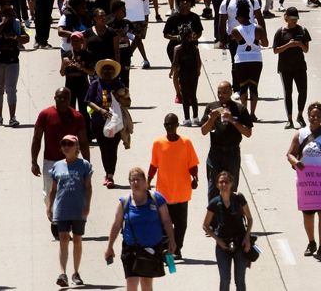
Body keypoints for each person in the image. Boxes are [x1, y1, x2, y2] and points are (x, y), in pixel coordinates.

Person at [285, 101, 321, 262]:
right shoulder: (300, 134)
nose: (315, 118)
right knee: (308, 214)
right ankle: (311, 242)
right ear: (308, 116)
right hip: (307, 180)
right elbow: (290, 154)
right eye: (312, 116)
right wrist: (296, 163)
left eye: (318, 116)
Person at [105, 167, 176, 291]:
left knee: (146, 285)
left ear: (145, 182)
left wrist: (172, 240)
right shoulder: (125, 202)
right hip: (130, 249)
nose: (135, 183)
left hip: (151, 249)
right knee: (131, 285)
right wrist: (110, 246)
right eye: (132, 180)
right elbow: (116, 224)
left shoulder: (156, 199)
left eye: (138, 180)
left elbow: (166, 220)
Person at [32, 87, 90, 233]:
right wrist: (34, 161)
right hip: (50, 162)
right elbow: (37, 138)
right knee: (49, 193)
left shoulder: (77, 117)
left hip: (72, 162)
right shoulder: (45, 114)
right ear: (54, 97)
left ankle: (63, 222)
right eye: (58, 97)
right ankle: (54, 218)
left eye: (64, 98)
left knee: (70, 193)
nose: (61, 100)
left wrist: (87, 163)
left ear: (70, 100)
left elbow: (83, 141)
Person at [148, 113, 200, 260]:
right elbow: (154, 164)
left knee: (181, 224)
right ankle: (167, 250)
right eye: (166, 124)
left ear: (177, 125)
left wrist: (195, 178)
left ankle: (177, 249)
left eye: (172, 124)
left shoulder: (186, 142)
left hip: (182, 191)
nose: (169, 127)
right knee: (164, 224)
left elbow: (192, 164)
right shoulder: (158, 143)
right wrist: (148, 179)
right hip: (163, 193)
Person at [47, 133, 93, 288]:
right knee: (64, 239)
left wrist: (87, 205)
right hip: (62, 209)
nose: (66, 146)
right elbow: (53, 190)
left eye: (69, 144)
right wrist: (49, 207)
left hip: (78, 208)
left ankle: (76, 272)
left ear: (76, 147)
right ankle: (63, 273)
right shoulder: (57, 166)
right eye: (64, 144)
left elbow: (88, 187)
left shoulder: (84, 165)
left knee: (78, 240)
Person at [201, 81, 254, 200]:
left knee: (231, 188)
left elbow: (248, 133)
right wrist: (211, 119)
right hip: (216, 153)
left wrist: (232, 120)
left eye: (224, 92)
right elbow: (203, 131)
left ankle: (228, 215)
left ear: (231, 92)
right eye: (219, 92)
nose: (221, 95)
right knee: (213, 188)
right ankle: (213, 216)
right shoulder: (211, 107)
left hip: (232, 153)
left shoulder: (240, 109)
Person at [203, 169, 254, 291]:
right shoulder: (214, 203)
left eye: (226, 182)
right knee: (225, 280)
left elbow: (250, 218)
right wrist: (218, 240)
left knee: (240, 280)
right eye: (221, 182)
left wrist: (247, 238)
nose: (223, 185)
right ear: (217, 185)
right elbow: (205, 225)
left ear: (231, 184)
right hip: (223, 247)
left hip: (240, 244)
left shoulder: (239, 198)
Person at [0, 0, 29, 126]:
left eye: (9, 9)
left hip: (12, 60)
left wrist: (15, 37)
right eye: (4, 9)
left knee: (11, 89)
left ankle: (12, 118)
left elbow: (27, 37)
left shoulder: (16, 23)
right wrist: (3, 23)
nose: (8, 12)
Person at [86, 58, 128, 187]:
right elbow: (89, 101)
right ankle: (107, 172)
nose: (107, 72)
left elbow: (128, 102)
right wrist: (100, 110)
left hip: (116, 123)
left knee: (113, 149)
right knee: (104, 149)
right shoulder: (95, 84)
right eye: (105, 69)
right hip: (99, 123)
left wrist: (120, 97)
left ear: (114, 71)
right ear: (100, 72)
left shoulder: (119, 85)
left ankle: (110, 175)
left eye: (110, 69)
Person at [273, 5, 312, 128]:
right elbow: (275, 50)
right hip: (285, 68)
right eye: (291, 18)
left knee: (303, 91)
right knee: (288, 92)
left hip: (300, 66)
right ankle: (289, 119)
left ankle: (300, 115)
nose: (294, 21)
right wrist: (288, 46)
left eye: (296, 19)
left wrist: (300, 44)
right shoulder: (281, 32)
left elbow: (306, 50)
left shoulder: (303, 31)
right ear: (286, 18)